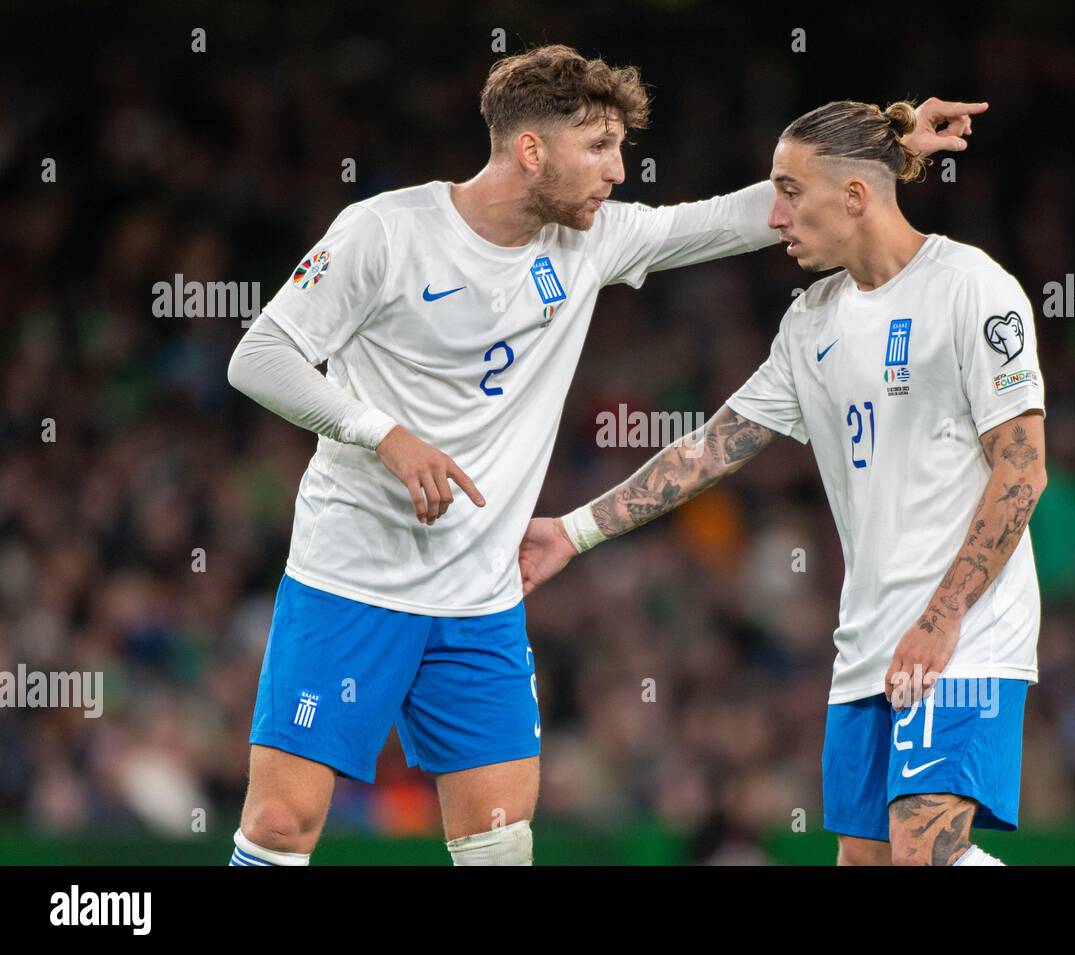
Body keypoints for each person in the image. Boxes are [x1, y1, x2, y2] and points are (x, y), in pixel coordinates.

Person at [226, 41, 983, 866]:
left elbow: (741, 213)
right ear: (529, 150)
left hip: (479, 599)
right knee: (278, 828)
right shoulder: (382, 233)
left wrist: (893, 143)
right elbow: (258, 356)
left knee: (497, 845)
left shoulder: (591, 243)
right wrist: (384, 433)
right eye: (600, 148)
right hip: (350, 577)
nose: (619, 170)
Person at [520, 99, 1044, 866]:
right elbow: (710, 448)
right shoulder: (812, 323)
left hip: (965, 636)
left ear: (856, 197)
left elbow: (1023, 469)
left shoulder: (971, 287)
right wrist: (575, 529)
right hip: (869, 641)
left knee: (921, 856)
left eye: (790, 191)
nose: (775, 214)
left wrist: (942, 614)